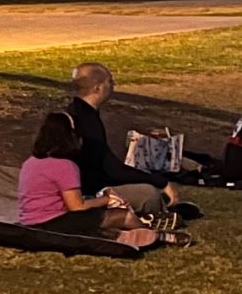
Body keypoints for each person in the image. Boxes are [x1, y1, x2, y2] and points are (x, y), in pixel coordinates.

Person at [20, 111, 189, 245]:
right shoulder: (64, 166)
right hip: (55, 222)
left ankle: (122, 235)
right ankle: (155, 235)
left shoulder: (31, 162)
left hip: (30, 222)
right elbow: (77, 207)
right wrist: (106, 200)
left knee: (98, 224)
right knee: (124, 216)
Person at [63, 62, 185, 211]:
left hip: (80, 185)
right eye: (109, 81)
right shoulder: (86, 121)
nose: (112, 85)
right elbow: (112, 168)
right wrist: (161, 182)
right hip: (85, 191)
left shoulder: (75, 112)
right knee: (149, 194)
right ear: (98, 88)